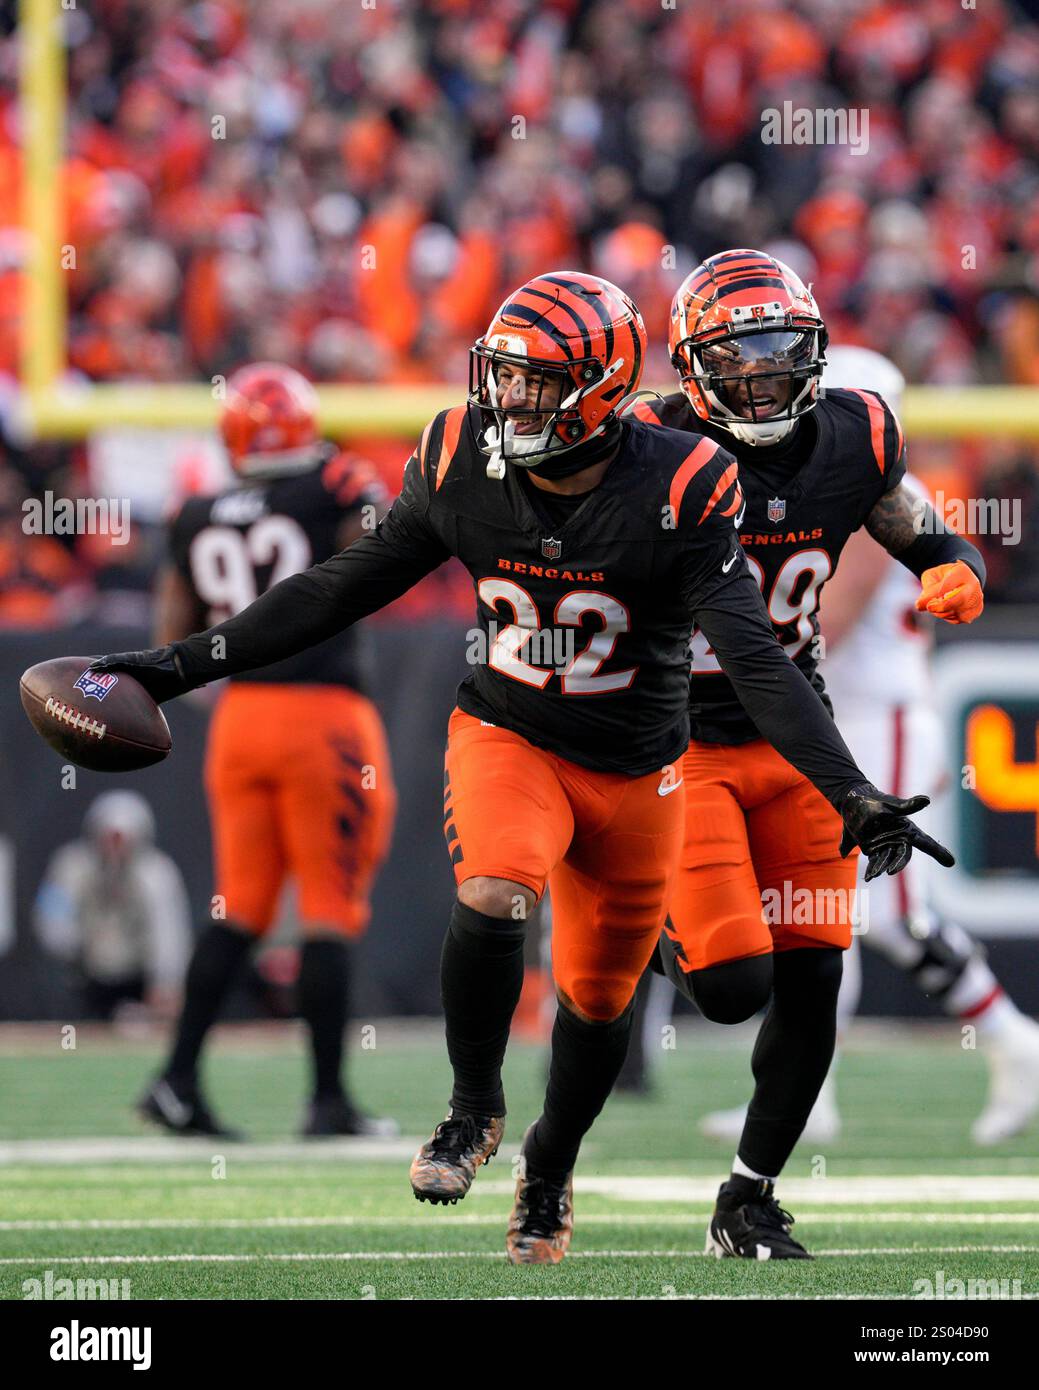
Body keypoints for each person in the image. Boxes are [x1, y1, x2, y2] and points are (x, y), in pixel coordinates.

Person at [88, 271, 951, 1265]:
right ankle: (469, 1110)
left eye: (536, 383)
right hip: (512, 735)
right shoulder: (462, 456)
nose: (510, 400)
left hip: (641, 766)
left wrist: (847, 788)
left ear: (595, 388)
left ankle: (548, 1169)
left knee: (601, 1003)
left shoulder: (682, 479)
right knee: (495, 891)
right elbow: (337, 587)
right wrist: (174, 663)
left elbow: (755, 656)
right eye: (503, 377)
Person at [630, 249, 985, 1258]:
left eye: (780, 355)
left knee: (814, 974)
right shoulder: (649, 443)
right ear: (696, 367)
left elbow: (913, 529)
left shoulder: (854, 434)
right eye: (737, 361)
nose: (763, 377)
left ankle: (748, 1197)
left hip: (794, 735)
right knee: (731, 983)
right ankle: (643, 915)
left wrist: (950, 564)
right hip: (679, 734)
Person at [136, 362, 398, 1140]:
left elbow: (170, 634)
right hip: (321, 714)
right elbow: (386, 549)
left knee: (240, 905)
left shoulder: (197, 510)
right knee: (329, 907)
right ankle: (327, 1102)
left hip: (238, 720)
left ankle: (175, 1081)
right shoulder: (333, 484)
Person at [34, 791, 191, 1022]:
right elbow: (52, 920)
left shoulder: (158, 874)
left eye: (121, 840)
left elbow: (168, 933)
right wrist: (74, 949)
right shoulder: (70, 867)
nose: (114, 848)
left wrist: (166, 983)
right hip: (84, 973)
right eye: (109, 839)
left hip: (136, 977)